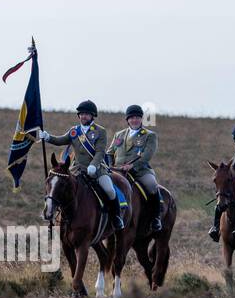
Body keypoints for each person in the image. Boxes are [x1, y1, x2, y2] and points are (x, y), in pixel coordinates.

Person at [35, 100, 125, 230]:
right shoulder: (74, 131)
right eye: (81, 114)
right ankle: (55, 217)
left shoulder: (100, 131)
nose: (83, 116)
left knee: (109, 190)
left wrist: (93, 165)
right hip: (76, 169)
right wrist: (48, 137)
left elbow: (100, 152)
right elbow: (61, 140)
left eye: (87, 114)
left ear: (92, 116)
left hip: (97, 169)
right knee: (59, 188)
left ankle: (116, 217)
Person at [108, 104, 165, 233]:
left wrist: (132, 165)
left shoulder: (149, 135)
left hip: (140, 171)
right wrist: (110, 166)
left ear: (141, 119)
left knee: (152, 186)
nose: (134, 120)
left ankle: (156, 218)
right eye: (132, 117)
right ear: (127, 119)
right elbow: (110, 152)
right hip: (118, 171)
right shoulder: (119, 134)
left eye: (137, 117)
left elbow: (147, 155)